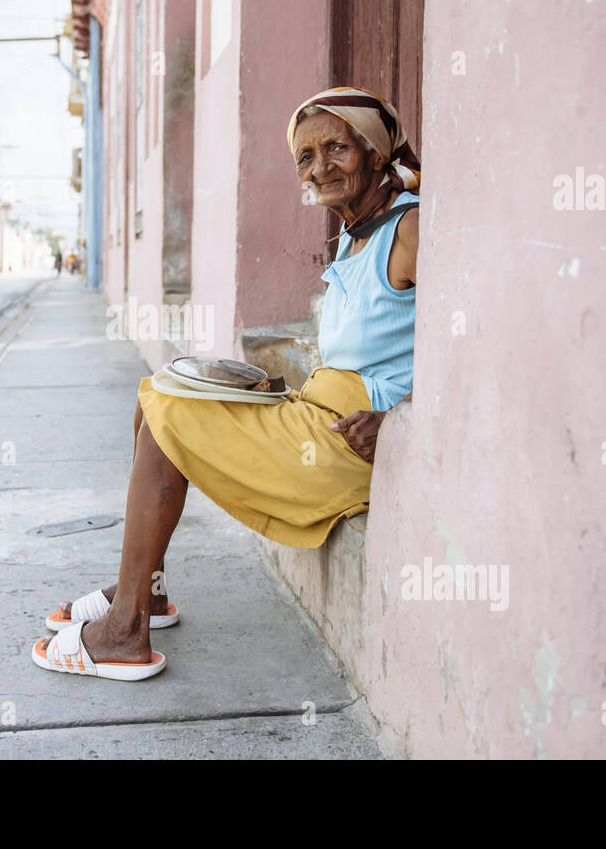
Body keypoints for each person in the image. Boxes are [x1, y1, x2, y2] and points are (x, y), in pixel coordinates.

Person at [32, 87, 420, 680]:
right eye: (306, 156)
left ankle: (125, 630)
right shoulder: (355, 231)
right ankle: (148, 590)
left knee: (168, 417)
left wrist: (402, 420)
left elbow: (480, 351)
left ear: (373, 152)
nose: (320, 167)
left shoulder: (412, 230)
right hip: (319, 413)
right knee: (159, 392)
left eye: (337, 147)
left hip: (348, 442)